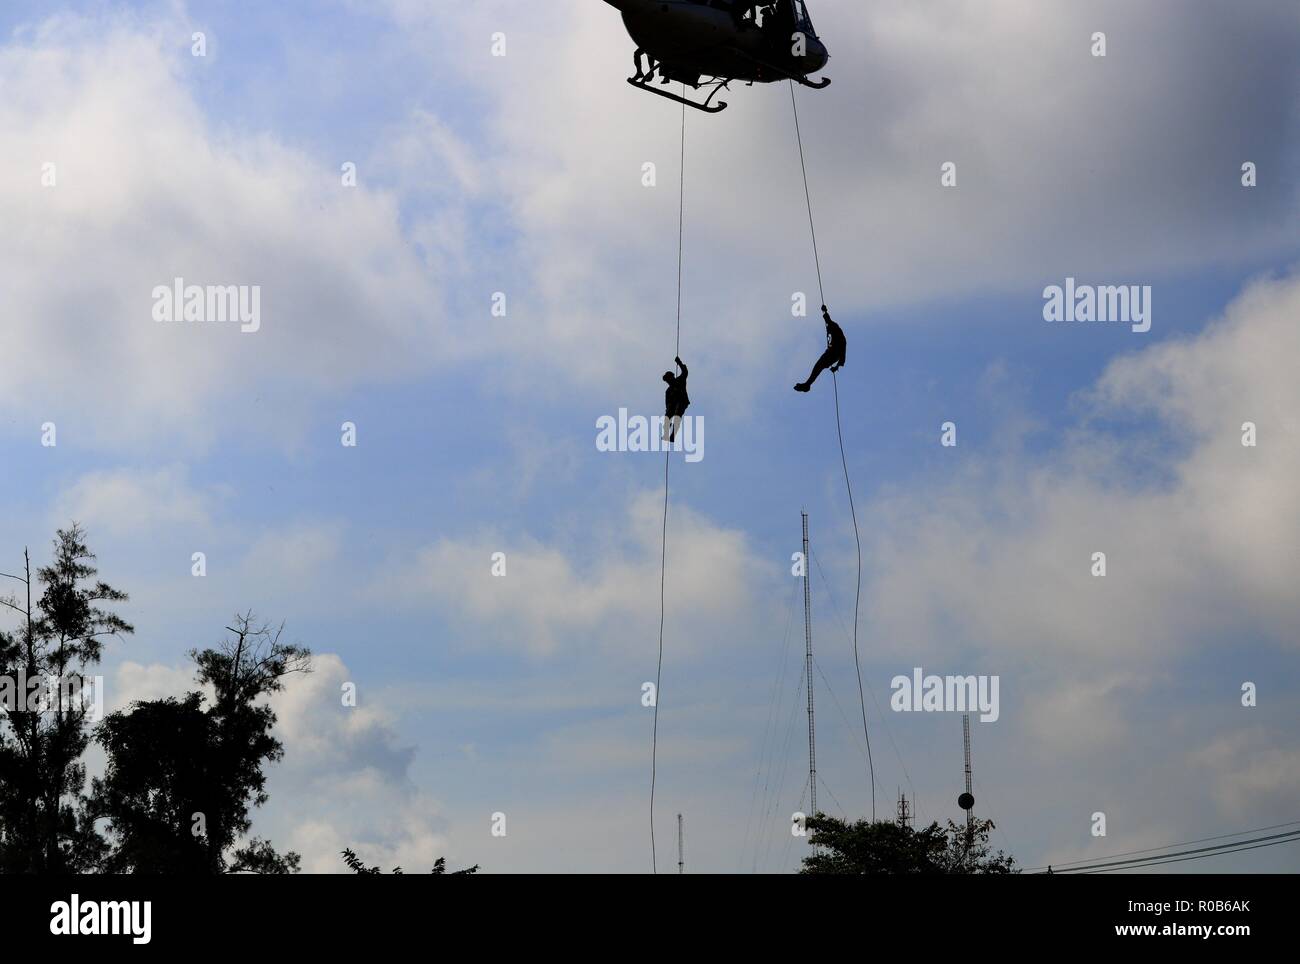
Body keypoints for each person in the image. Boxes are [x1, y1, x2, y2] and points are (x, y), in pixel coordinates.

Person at [794, 305, 845, 392]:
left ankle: (807, 385)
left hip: (834, 354)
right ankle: (807, 384)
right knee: (818, 366)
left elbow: (842, 357)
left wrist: (836, 367)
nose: (827, 330)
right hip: (829, 352)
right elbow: (827, 319)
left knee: (819, 366)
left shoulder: (841, 338)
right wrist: (824, 311)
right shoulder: (831, 326)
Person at [663, 356, 690, 441]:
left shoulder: (680, 380)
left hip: (682, 402)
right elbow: (667, 403)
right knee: (667, 417)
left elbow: (685, 372)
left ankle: (673, 435)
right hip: (673, 405)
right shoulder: (668, 391)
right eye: (667, 380)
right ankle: (666, 434)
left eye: (669, 379)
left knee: (677, 415)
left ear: (672, 377)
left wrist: (679, 362)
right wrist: (667, 413)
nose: (668, 381)